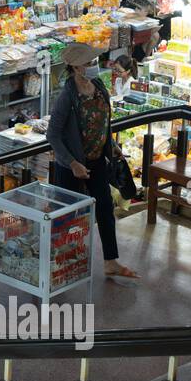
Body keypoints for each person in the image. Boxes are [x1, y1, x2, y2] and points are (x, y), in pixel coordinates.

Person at [48, 42, 139, 279]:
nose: (93, 66)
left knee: (105, 210)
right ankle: (59, 262)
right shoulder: (68, 96)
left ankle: (111, 260)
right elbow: (53, 135)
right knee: (67, 215)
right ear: (75, 67)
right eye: (88, 63)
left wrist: (112, 146)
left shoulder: (98, 86)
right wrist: (72, 163)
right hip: (72, 166)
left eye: (93, 62)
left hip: (98, 159)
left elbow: (104, 122)